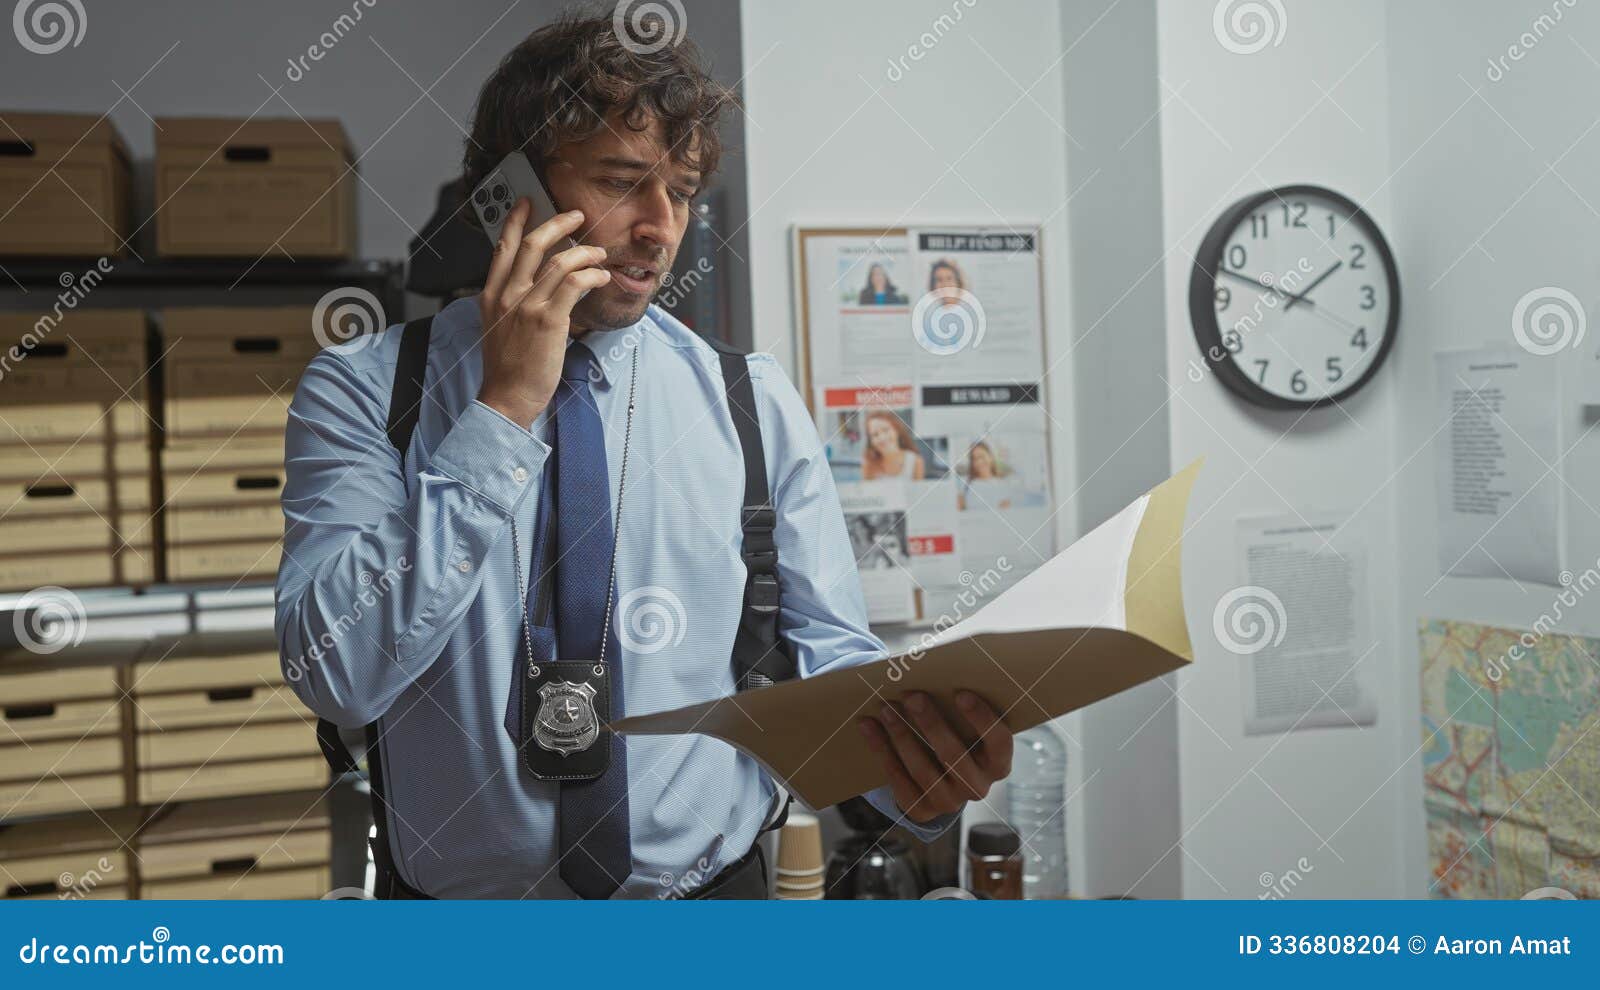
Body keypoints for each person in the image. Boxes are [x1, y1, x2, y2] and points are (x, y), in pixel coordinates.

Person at [275, 8, 1013, 900]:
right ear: (511, 190)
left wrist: (915, 783)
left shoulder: (751, 401)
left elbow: (833, 672)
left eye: (684, 190)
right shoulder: (364, 388)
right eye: (623, 182)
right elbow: (337, 677)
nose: (663, 227)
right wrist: (504, 410)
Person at [859, 410, 926, 481]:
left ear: (897, 430)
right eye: (875, 434)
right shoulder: (869, 464)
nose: (882, 438)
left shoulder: (915, 461)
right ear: (871, 441)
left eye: (886, 430)